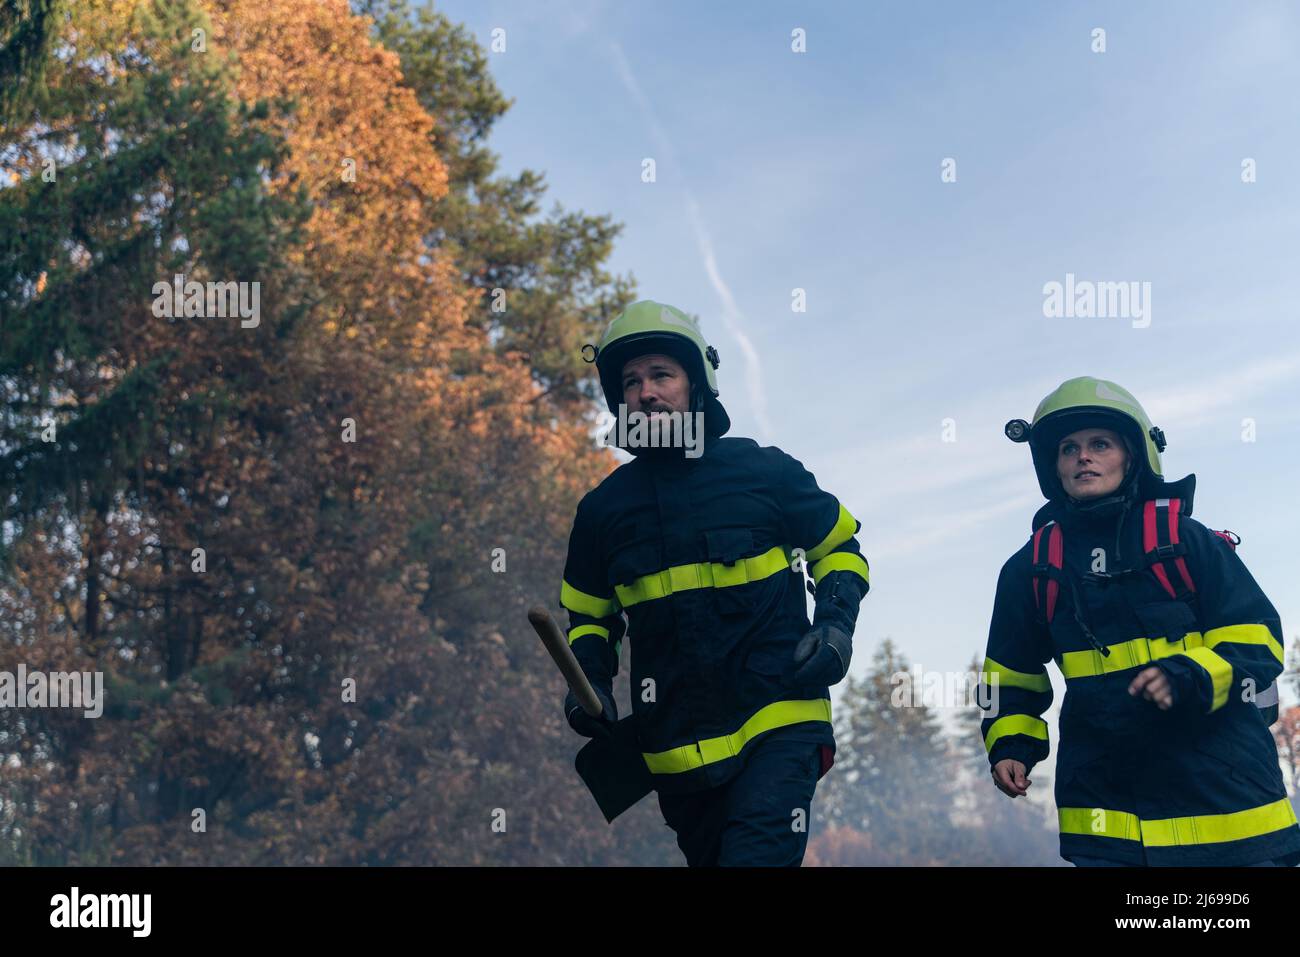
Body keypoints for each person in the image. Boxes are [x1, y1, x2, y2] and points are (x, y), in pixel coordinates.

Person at [558, 300, 870, 866]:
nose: (645, 392)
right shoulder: (602, 512)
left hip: (780, 726)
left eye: (661, 375)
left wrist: (834, 628)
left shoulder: (765, 473)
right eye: (630, 381)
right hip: (677, 756)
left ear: (697, 383)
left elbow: (840, 550)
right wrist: (591, 687)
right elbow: (590, 619)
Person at [981, 376, 1299, 866]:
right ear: (1054, 467)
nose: (1082, 457)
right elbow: (1011, 673)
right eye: (1068, 449)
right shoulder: (1031, 568)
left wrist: (1190, 675)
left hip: (1231, 811)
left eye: (1100, 444)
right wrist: (1011, 742)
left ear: (1133, 456)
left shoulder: (1188, 541)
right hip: (1109, 816)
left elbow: (1257, 640)